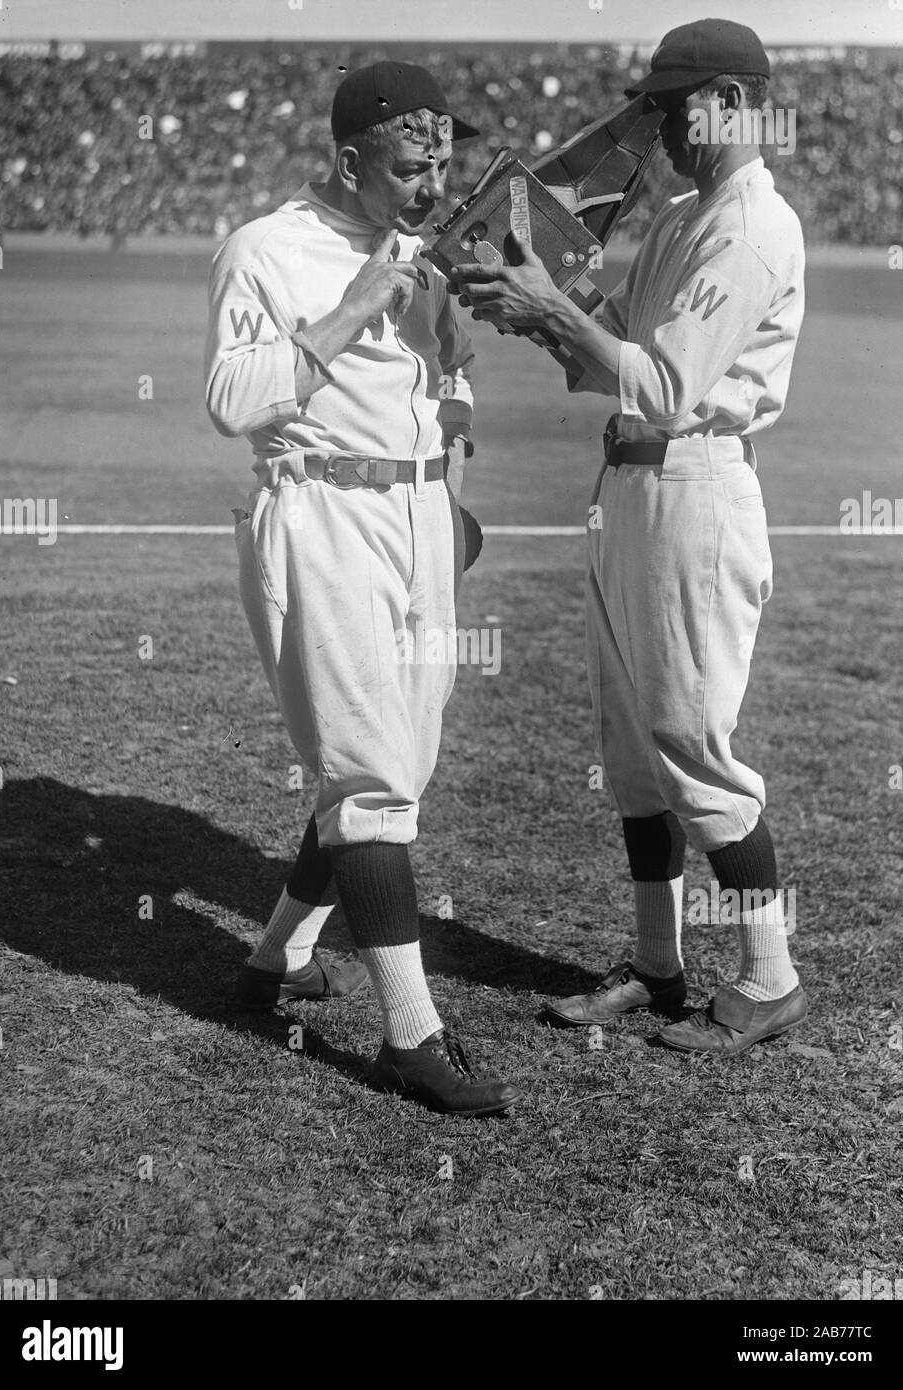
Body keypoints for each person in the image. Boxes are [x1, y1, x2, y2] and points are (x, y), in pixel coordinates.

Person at [453, 19, 807, 1054]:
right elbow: (611, 359)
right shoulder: (684, 219)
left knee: (692, 743)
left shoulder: (750, 226)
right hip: (630, 487)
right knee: (633, 753)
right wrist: (544, 299)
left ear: (733, 103)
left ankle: (768, 976)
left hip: (693, 490)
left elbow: (663, 383)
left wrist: (556, 313)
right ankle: (656, 964)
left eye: (676, 103)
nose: (657, 121)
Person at [205, 60, 522, 1114]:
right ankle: (410, 1035)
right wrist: (348, 312)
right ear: (348, 159)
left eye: (442, 164)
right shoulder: (266, 248)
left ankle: (271, 961)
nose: (431, 186)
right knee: (371, 773)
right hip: (322, 515)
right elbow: (233, 400)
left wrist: (444, 371)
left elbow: (450, 394)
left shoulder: (419, 250)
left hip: (417, 520)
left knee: (396, 758)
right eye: (408, 166)